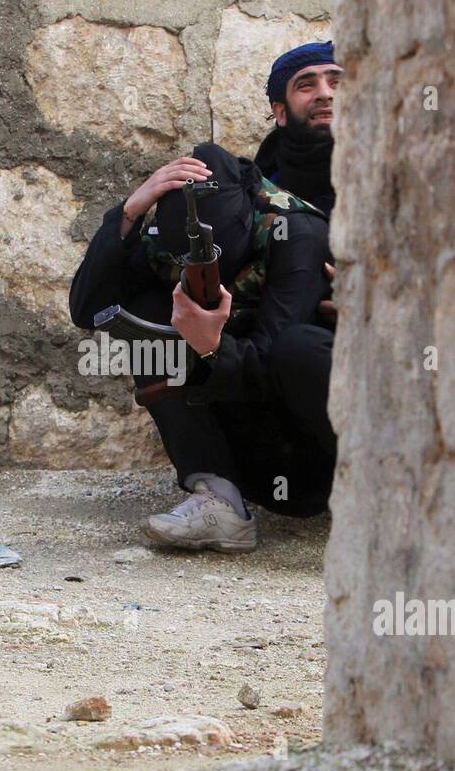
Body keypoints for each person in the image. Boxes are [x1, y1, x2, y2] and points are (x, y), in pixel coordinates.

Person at [69, 140, 335, 553]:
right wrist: (128, 212)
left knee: (298, 346)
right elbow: (89, 309)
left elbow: (280, 364)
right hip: (249, 454)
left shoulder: (294, 231)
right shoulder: (166, 242)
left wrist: (211, 346)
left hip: (311, 451)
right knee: (145, 315)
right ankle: (217, 497)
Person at [253, 40, 341, 215]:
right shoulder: (253, 190)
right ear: (281, 113)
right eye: (306, 85)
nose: (325, 94)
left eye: (337, 83)